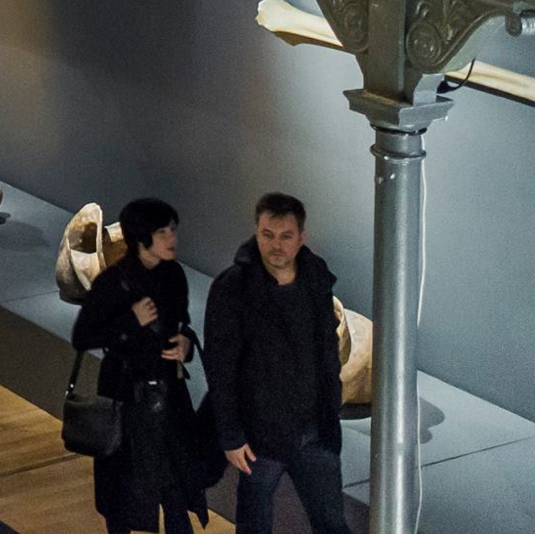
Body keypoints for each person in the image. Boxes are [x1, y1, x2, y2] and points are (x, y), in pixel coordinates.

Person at [203, 192, 346, 534]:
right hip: (259, 438)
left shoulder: (315, 278)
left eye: (285, 236)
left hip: (314, 433)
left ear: (302, 237)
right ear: (257, 232)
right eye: (268, 235)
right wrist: (231, 436)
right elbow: (220, 367)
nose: (276, 245)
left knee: (331, 523)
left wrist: (331, 406)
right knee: (254, 525)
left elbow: (327, 349)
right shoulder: (233, 288)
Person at [71, 198, 211, 534]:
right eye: (162, 232)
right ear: (141, 238)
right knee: (124, 493)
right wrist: (129, 322)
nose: (171, 238)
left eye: (172, 230)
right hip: (126, 399)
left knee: (174, 488)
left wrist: (186, 345)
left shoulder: (174, 275)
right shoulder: (112, 282)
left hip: (168, 399)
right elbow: (83, 336)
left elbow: (182, 324)